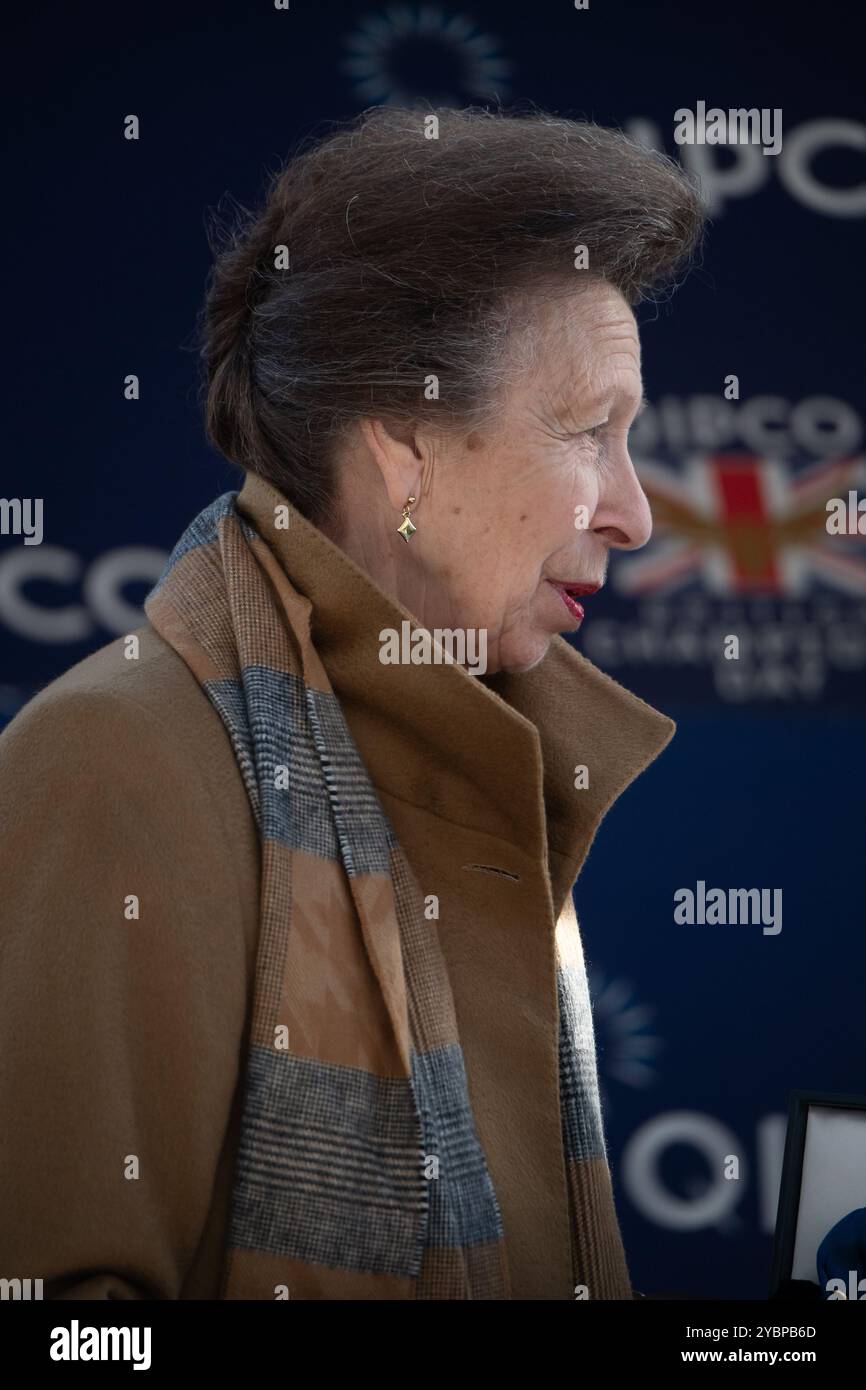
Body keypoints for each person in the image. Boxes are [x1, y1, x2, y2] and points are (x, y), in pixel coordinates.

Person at [0, 105, 704, 1300]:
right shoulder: (111, 757)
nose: (635, 513)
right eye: (590, 432)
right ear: (402, 439)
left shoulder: (490, 756)